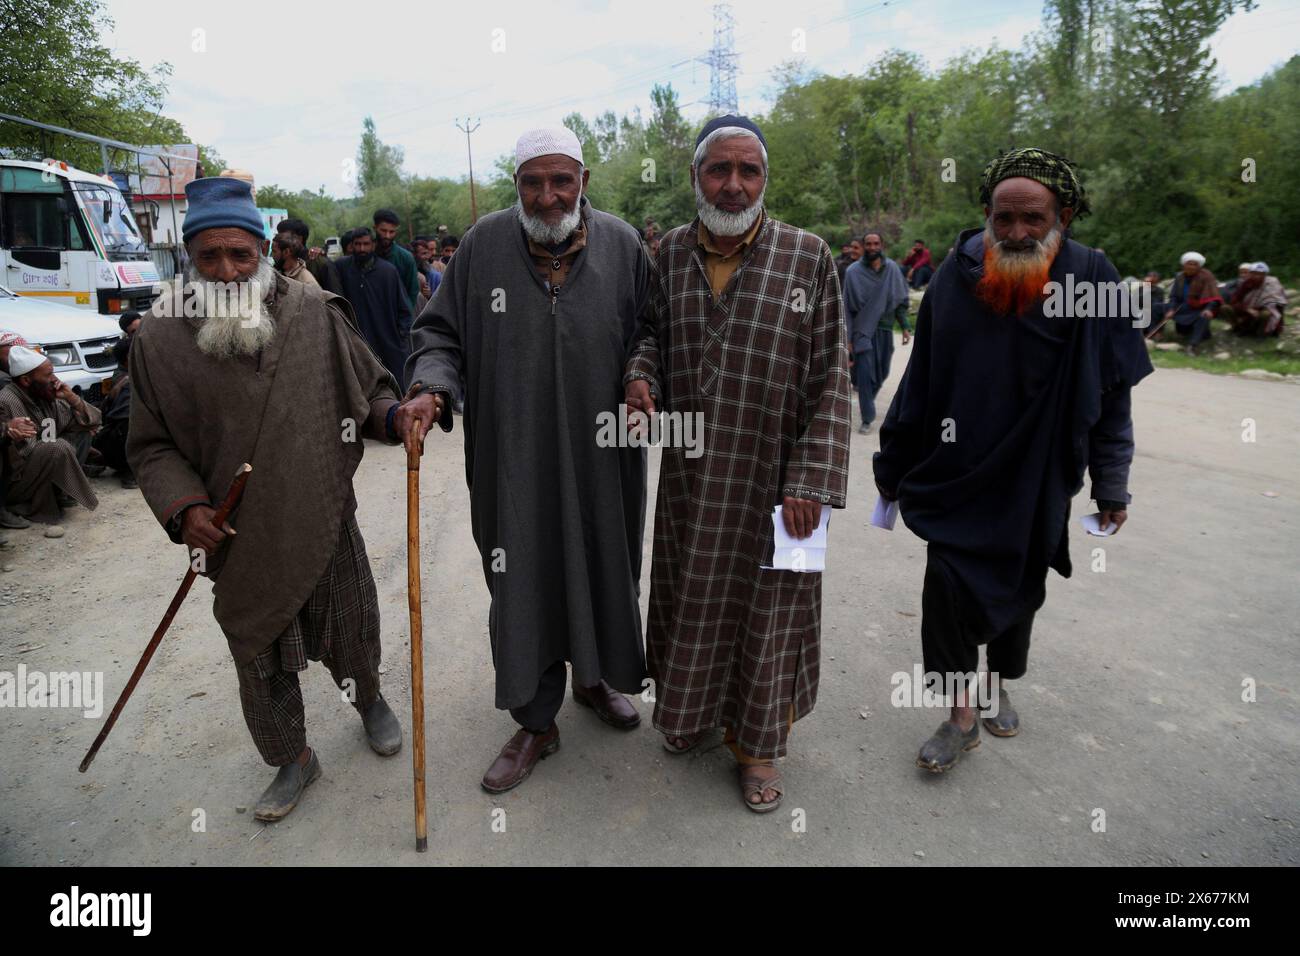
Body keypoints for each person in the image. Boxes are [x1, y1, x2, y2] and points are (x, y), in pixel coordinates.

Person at [127, 176, 411, 821]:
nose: (226, 271)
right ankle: (293, 759)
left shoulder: (314, 312)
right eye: (208, 256)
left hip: (320, 512)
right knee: (257, 653)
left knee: (350, 628)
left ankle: (369, 700)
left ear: (265, 249)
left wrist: (398, 418)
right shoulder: (159, 338)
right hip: (236, 536)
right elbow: (149, 447)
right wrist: (184, 508)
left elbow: (367, 394)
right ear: (187, 258)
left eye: (240, 255)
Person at [873, 147, 1151, 774]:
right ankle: (959, 715)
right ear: (987, 215)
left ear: (1066, 215)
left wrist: (1113, 485)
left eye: (1034, 218)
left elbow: (1113, 397)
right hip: (956, 471)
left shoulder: (1094, 280)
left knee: (1021, 585)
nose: (1018, 233)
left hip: (1039, 477)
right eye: (1004, 219)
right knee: (946, 587)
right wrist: (891, 469)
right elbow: (920, 382)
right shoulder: (957, 275)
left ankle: (998, 682)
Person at [402, 126, 650, 795]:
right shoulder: (482, 246)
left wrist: (639, 374)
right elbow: (438, 333)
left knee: (604, 561)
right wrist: (429, 388)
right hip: (512, 458)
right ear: (517, 187)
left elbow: (652, 331)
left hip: (605, 455)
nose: (547, 197)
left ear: (583, 182)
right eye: (532, 183)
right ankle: (537, 720)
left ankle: (594, 680)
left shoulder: (625, 245)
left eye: (560, 181)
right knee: (523, 579)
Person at [624, 115, 851, 812]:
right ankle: (691, 717)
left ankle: (757, 750)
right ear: (696, 177)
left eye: (747, 170)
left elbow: (831, 376)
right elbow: (649, 337)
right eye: (718, 170)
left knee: (769, 611)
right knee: (692, 598)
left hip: (780, 482)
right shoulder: (666, 256)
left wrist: (811, 479)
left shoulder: (807, 256)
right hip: (695, 473)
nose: (732, 184)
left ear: (764, 179)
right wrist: (641, 376)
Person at [1, 346, 102, 523]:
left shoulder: (45, 396)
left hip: (40, 468)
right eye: (48, 375)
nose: (55, 380)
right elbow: (22, 455)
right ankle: (32, 502)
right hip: (17, 481)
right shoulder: (6, 400)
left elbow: (94, 421)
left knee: (82, 431)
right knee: (57, 447)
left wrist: (72, 399)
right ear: (25, 380)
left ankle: (61, 492)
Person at [842, 231, 911, 434]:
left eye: (876, 243)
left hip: (885, 329)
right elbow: (847, 307)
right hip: (862, 331)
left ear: (882, 245)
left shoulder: (892, 269)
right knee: (864, 375)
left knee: (881, 373)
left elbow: (899, 301)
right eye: (868, 244)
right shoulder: (853, 272)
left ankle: (868, 400)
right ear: (863, 247)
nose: (872, 247)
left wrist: (905, 326)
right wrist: (848, 339)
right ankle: (867, 417)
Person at [334, 227, 413, 388]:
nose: (362, 249)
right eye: (358, 244)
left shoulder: (388, 272)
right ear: (352, 245)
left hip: (389, 344)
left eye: (366, 244)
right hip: (358, 344)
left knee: (395, 389)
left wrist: (401, 337)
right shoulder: (342, 268)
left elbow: (404, 310)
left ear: (373, 245)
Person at [1166, 252, 1222, 354]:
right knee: (1156, 308)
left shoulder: (1207, 277)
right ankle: (1155, 336)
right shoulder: (1179, 277)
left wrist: (1208, 309)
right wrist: (1171, 309)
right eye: (1189, 264)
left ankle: (1192, 345)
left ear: (1199, 266)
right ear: (1184, 265)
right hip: (1181, 307)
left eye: (1194, 264)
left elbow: (1213, 297)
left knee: (1204, 316)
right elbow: (1174, 296)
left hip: (1198, 308)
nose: (1191, 267)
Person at [372, 209, 420, 310]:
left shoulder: (406, 258)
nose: (387, 236)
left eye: (391, 232)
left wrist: (405, 317)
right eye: (383, 231)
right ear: (375, 228)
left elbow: (412, 292)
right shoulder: (366, 254)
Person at [278, 219, 340, 294]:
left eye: (282, 238)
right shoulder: (281, 263)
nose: (278, 241)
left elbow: (336, 299)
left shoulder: (320, 263)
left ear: (299, 239)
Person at [1227, 261, 1287, 336]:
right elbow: (1235, 300)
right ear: (1251, 274)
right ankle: (1237, 327)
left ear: (1265, 275)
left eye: (1260, 274)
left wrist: (1259, 309)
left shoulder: (1272, 283)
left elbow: (1278, 303)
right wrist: (1247, 309)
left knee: (1266, 314)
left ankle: (1261, 333)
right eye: (1254, 273)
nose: (1257, 276)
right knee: (1226, 308)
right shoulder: (1247, 283)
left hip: (1264, 312)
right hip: (1247, 311)